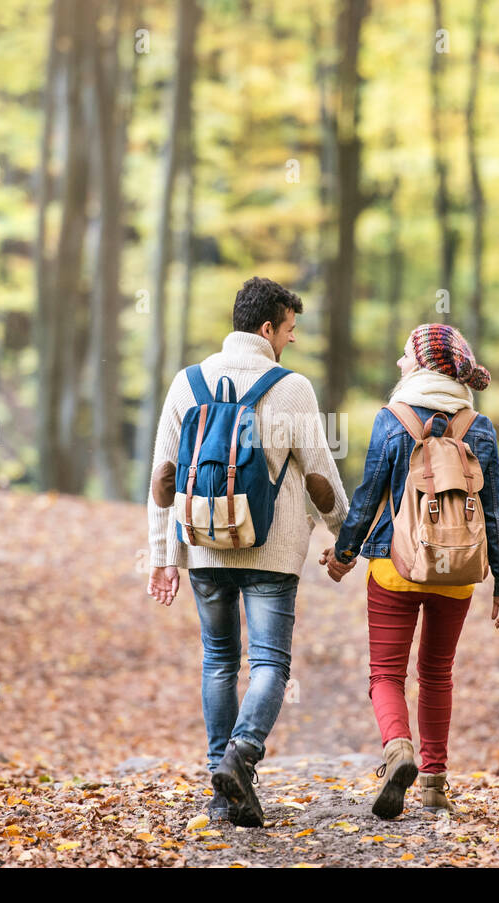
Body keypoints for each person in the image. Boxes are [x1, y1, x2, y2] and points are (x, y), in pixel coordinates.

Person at [145, 277, 352, 827]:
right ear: (267, 329)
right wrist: (345, 539)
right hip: (272, 552)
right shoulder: (292, 388)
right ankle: (241, 755)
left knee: (218, 661)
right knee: (270, 664)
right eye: (288, 330)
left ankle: (220, 787)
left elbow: (163, 479)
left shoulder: (186, 383)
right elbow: (319, 477)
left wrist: (165, 555)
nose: (291, 340)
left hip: (205, 547)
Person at [321, 323, 499, 819]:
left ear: (425, 363)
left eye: (406, 355)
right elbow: (493, 509)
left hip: (395, 564)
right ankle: (434, 782)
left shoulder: (393, 418)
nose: (399, 364)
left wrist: (344, 555)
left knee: (386, 672)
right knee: (436, 675)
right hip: (458, 570)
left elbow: (367, 498)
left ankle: (397, 750)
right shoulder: (480, 426)